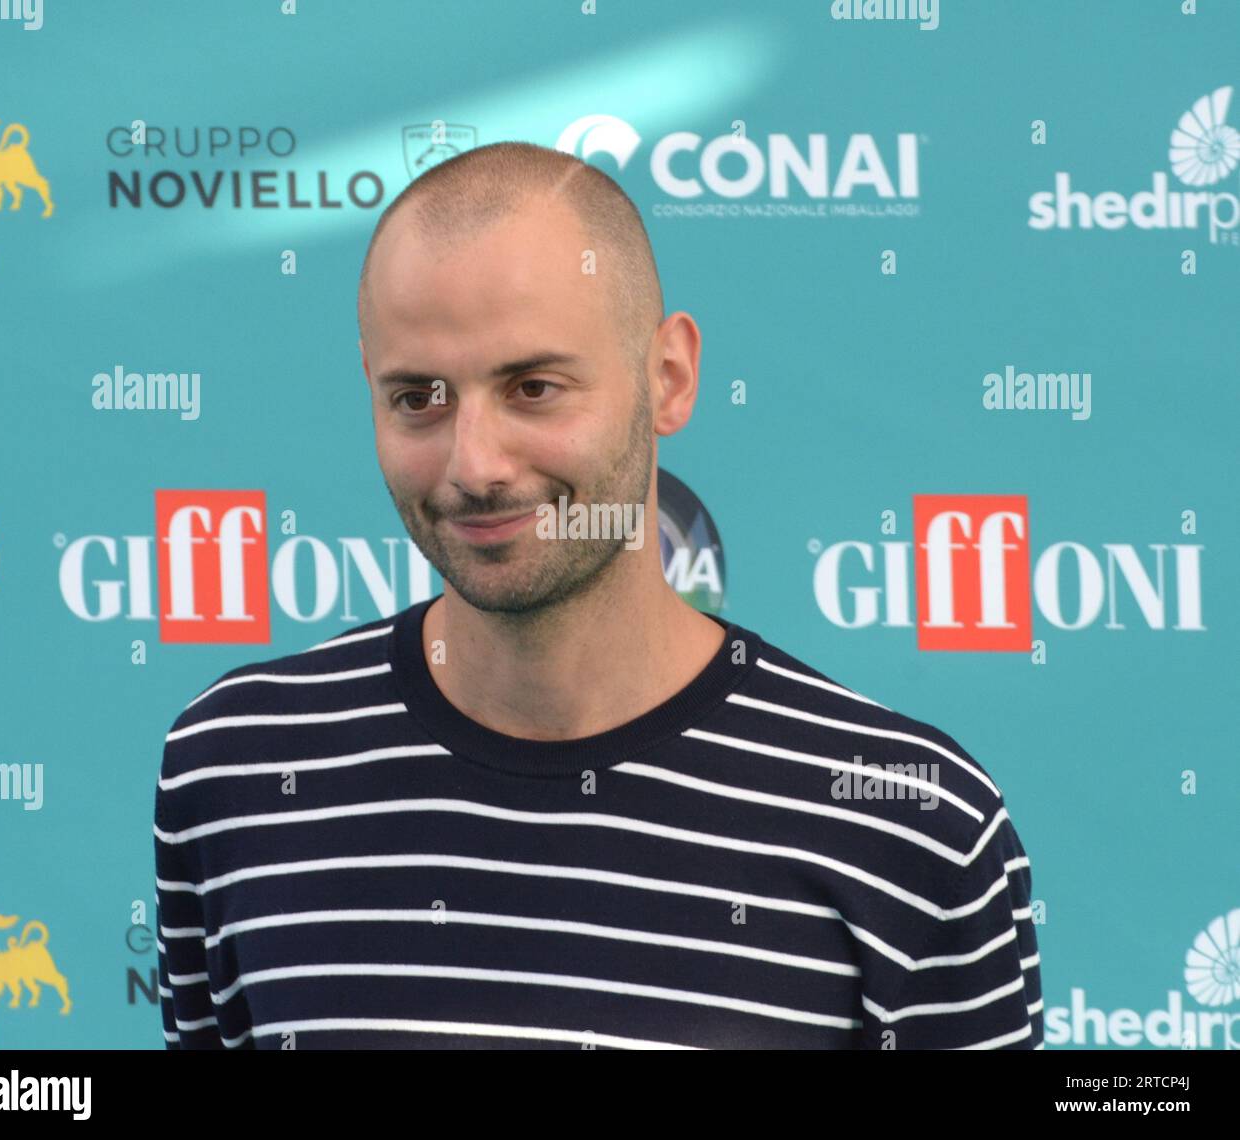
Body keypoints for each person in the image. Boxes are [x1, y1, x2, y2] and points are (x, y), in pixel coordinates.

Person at [154, 140, 1042, 1050]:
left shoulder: (904, 814)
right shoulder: (237, 770)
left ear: (669, 378)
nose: (475, 466)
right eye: (419, 398)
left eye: (534, 387)